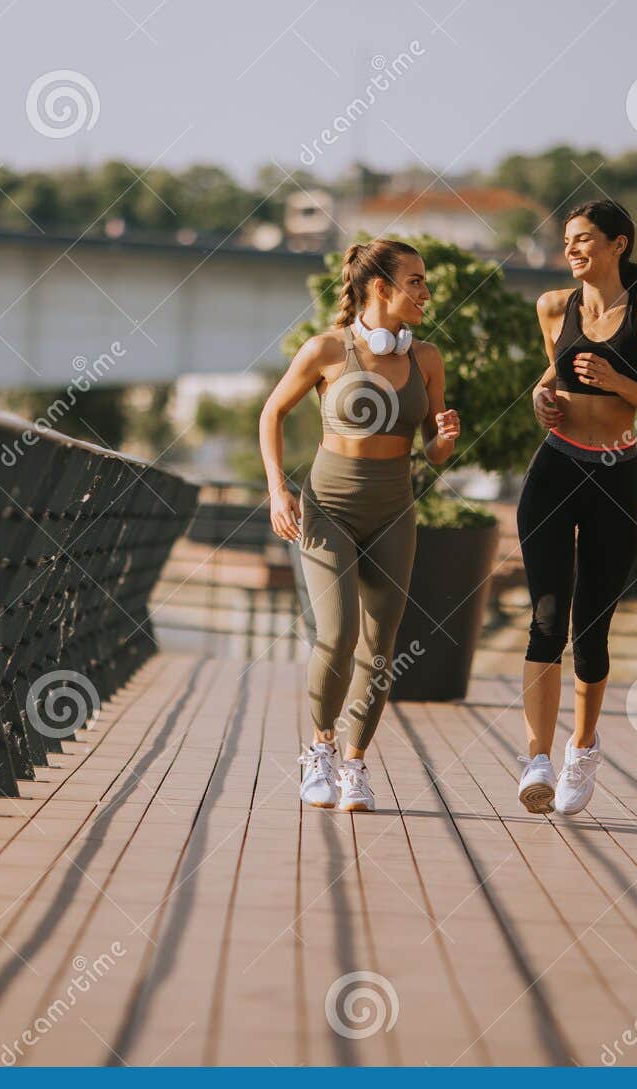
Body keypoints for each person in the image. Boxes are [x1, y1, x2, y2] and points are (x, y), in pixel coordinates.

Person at [260, 239, 460, 813]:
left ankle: (354, 765)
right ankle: (319, 749)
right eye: (416, 281)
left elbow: (436, 452)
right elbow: (271, 413)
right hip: (329, 509)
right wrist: (278, 488)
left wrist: (444, 438)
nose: (426, 292)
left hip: (395, 510)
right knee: (338, 633)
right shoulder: (326, 350)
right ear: (381, 287)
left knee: (380, 647)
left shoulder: (427, 359)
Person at [516, 200, 637, 817]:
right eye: (567, 241)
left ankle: (581, 750)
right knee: (546, 619)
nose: (573, 250)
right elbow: (550, 375)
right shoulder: (553, 307)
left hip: (616, 477)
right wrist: (540, 398)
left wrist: (619, 384)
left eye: (584, 239)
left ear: (619, 244)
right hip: (555, 470)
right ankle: (536, 757)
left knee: (591, 631)